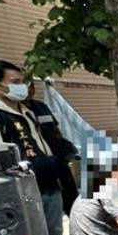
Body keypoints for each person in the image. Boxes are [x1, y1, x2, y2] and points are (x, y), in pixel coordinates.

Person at [0, 59, 68, 235]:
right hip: (23, 194)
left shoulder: (28, 111)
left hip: (49, 184)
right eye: (15, 82)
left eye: (22, 81)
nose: (22, 86)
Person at [26, 79, 81, 215]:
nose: (31, 89)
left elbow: (55, 130)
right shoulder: (10, 114)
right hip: (36, 171)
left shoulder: (41, 107)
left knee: (71, 201)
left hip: (58, 162)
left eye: (31, 85)